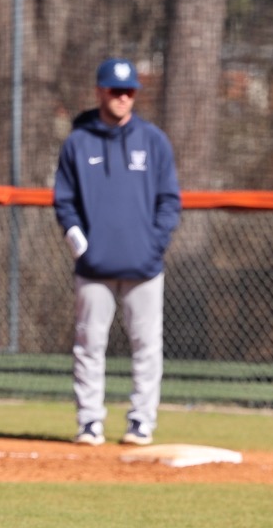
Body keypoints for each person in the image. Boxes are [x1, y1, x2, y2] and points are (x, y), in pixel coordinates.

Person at [52, 57, 181, 446]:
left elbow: (169, 200)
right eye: (115, 90)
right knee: (89, 345)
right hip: (94, 267)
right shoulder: (78, 142)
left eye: (129, 91)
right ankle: (90, 421)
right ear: (100, 92)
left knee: (147, 348)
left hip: (144, 267)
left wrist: (154, 243)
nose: (123, 97)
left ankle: (141, 421)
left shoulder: (153, 140)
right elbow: (64, 202)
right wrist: (79, 243)